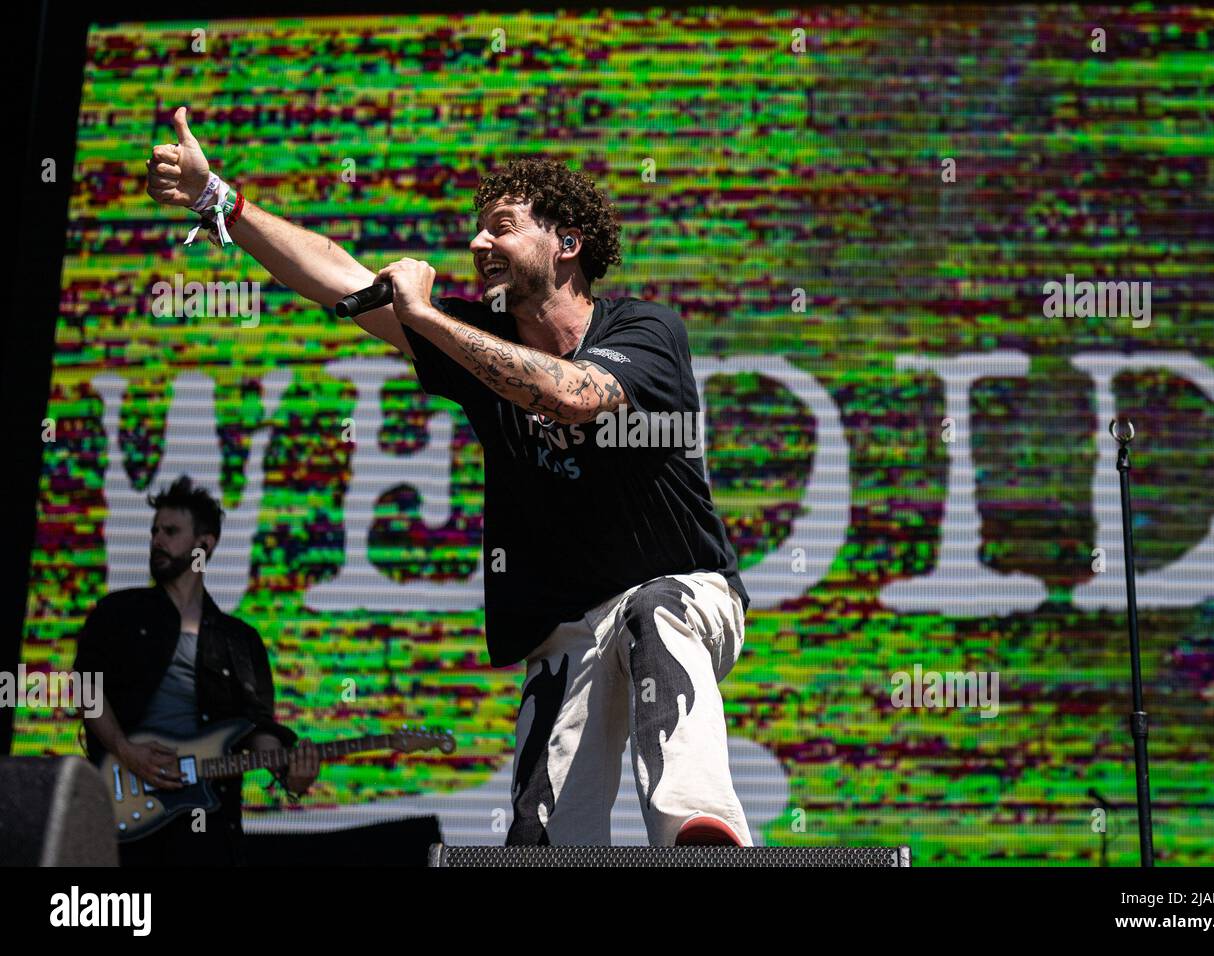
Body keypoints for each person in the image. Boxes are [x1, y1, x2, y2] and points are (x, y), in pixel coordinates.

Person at [146, 106, 753, 846]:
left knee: (651, 613)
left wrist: (428, 318)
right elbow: (334, 276)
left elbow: (571, 396)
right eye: (478, 229)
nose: (478, 242)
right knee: (540, 838)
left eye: (501, 225)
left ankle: (702, 837)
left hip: (687, 592)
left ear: (568, 243)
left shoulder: (645, 331)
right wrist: (224, 203)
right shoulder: (476, 343)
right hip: (568, 630)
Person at [74, 475, 319, 865]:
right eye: (154, 530)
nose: (157, 540)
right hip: (121, 811)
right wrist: (124, 749)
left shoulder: (241, 641)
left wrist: (291, 776)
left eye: (170, 531)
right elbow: (84, 687)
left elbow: (257, 728)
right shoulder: (117, 613)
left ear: (205, 545)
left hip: (206, 828)